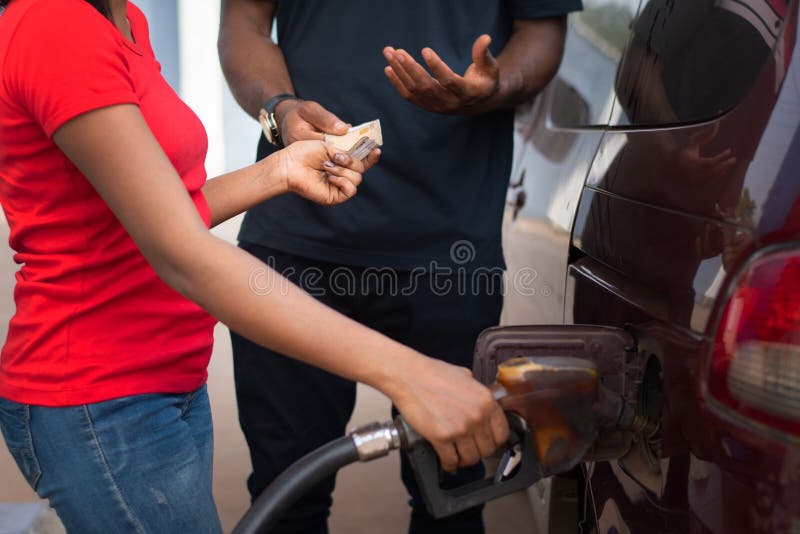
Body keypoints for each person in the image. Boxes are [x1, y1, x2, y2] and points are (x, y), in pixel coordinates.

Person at [0, 0, 510, 532]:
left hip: (163, 382)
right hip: (99, 397)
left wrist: (280, 171)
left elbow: (159, 210)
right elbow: (180, 250)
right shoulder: (56, 22)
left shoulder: (122, 17)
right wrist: (410, 373)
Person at [218, 1, 581, 532]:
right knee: (286, 495)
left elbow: (542, 29)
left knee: (455, 497)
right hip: (295, 242)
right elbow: (244, 20)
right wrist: (280, 107)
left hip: (450, 253)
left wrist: (496, 88)